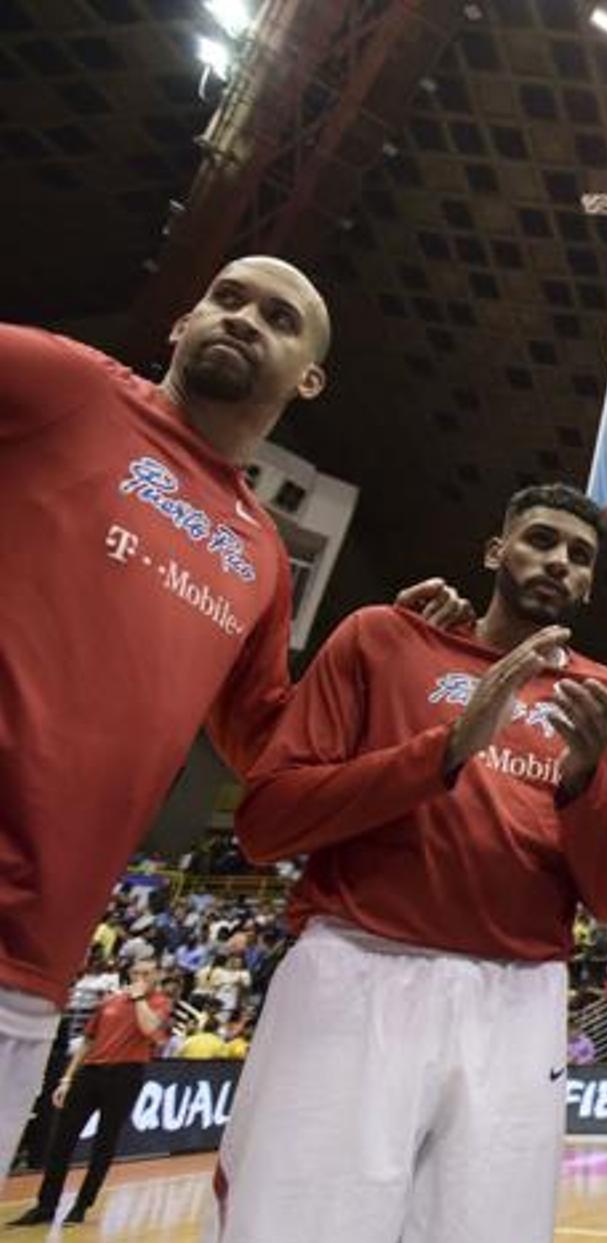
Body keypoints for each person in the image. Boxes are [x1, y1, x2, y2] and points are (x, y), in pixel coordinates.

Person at [0, 258, 466, 1171]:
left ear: (310, 377)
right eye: (228, 298)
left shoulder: (260, 556)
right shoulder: (73, 389)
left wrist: (384, 661)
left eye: (279, 317)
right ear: (182, 323)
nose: (245, 319)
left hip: (29, 968)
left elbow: (266, 747)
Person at [192, 483, 607, 1243]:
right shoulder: (381, 638)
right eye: (540, 540)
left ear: (590, 585)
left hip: (518, 998)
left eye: (579, 555)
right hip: (356, 968)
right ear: (494, 552)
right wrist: (443, 749)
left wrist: (583, 785)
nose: (558, 561)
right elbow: (264, 823)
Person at [8, 954, 170, 1227]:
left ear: (157, 976)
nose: (140, 978)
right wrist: (67, 1078)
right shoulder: (109, 1001)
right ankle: (45, 1206)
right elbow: (87, 1041)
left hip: (126, 1075)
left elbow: (149, 1029)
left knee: (104, 1144)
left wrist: (140, 998)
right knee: (61, 1140)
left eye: (147, 973)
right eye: (136, 972)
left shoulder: (160, 1003)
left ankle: (82, 1205)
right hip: (91, 1072)